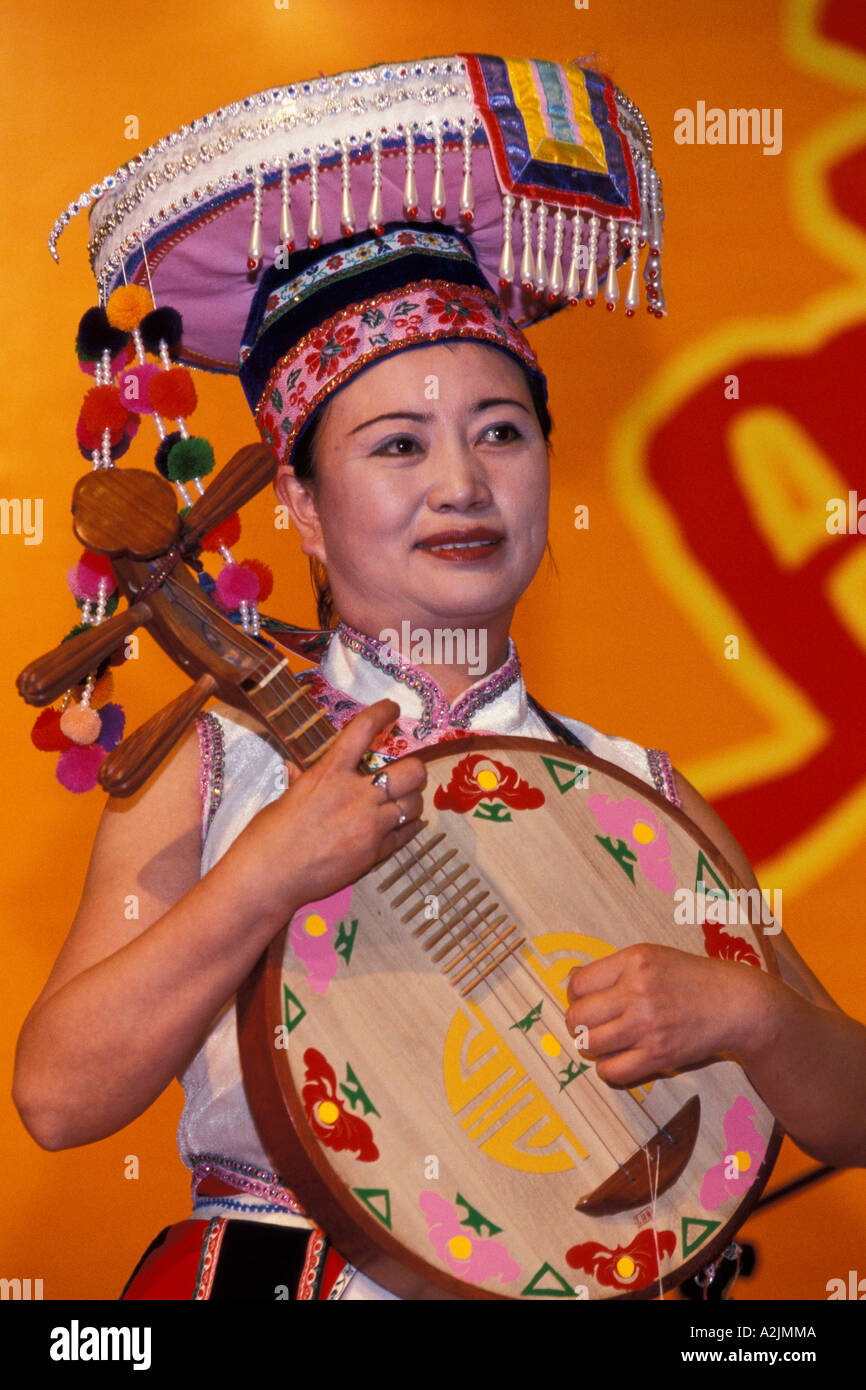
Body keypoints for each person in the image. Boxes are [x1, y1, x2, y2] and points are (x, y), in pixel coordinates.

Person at [13, 54, 866, 1301]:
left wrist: (743, 1016)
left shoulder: (636, 791)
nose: (462, 483)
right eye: (398, 444)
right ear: (297, 503)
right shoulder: (213, 765)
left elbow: (848, 1109)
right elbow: (53, 1095)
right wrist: (261, 878)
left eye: (500, 432)